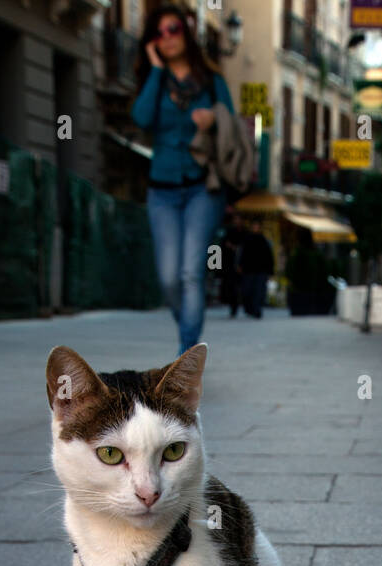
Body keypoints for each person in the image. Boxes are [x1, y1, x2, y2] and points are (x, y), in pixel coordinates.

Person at [131, 6, 234, 354]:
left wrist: (214, 119)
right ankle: (188, 332)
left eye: (173, 29)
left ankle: (186, 354)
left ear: (186, 33)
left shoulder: (211, 80)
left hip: (202, 188)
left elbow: (232, 124)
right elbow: (142, 118)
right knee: (169, 279)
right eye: (159, 33)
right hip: (162, 191)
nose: (167, 37)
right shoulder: (154, 80)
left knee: (191, 273)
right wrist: (157, 71)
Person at [239, 221, 275, 318]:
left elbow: (268, 256)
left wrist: (270, 270)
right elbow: (242, 254)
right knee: (247, 290)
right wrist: (240, 265)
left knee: (259, 291)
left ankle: (257, 309)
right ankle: (250, 308)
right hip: (249, 269)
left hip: (261, 269)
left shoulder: (264, 240)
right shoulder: (247, 240)